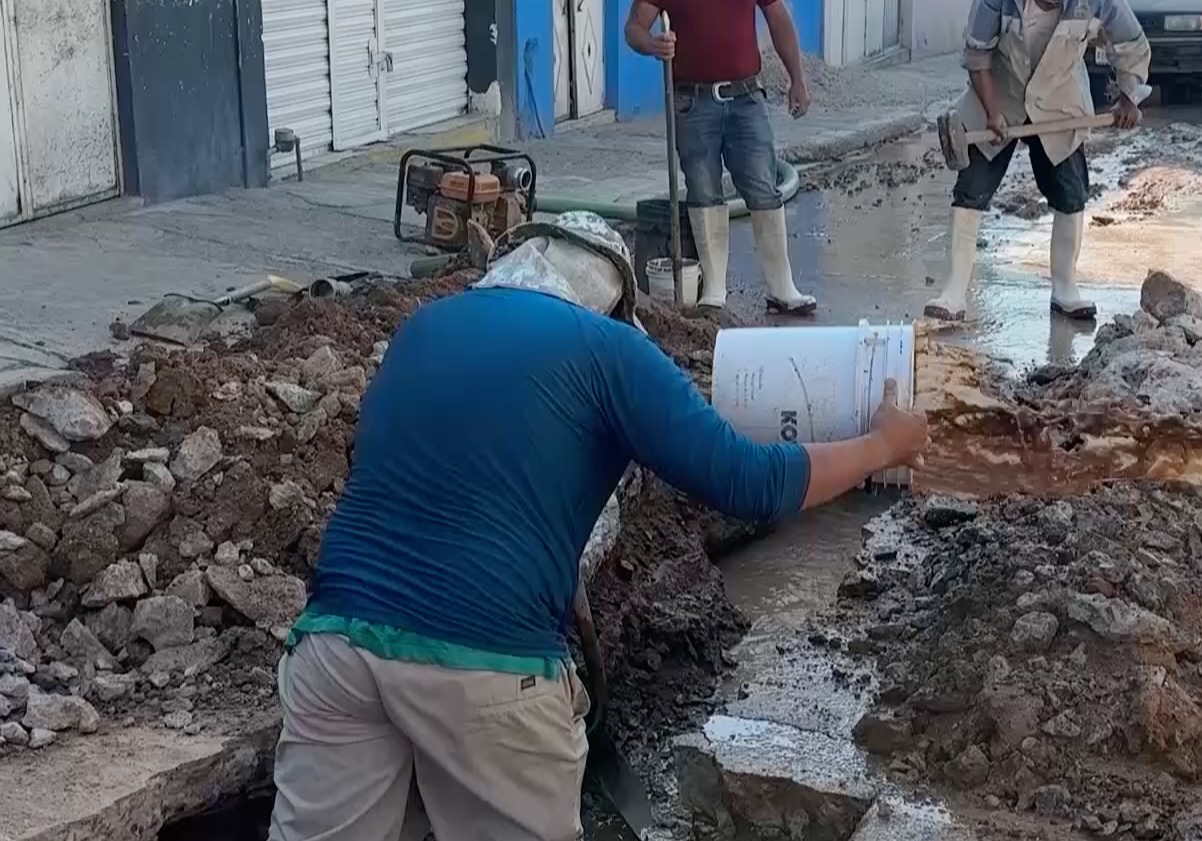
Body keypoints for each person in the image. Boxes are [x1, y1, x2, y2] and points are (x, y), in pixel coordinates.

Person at [266, 211, 930, 841]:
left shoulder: (425, 325)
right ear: (612, 303)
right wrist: (880, 446)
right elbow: (748, 481)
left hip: (333, 649)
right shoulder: (610, 351)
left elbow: (426, 477)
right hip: (487, 665)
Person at [924, 0, 1151, 323]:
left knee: (1070, 193)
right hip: (1000, 93)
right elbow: (977, 58)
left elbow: (1132, 43)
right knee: (971, 190)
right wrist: (991, 113)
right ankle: (955, 291)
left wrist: (1129, 97)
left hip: (1060, 98)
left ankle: (1065, 288)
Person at [625, 0, 818, 315]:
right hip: (693, 101)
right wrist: (653, 44)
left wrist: (797, 78)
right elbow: (634, 28)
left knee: (763, 185)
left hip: (746, 98)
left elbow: (777, 16)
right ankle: (714, 289)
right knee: (703, 190)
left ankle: (782, 287)